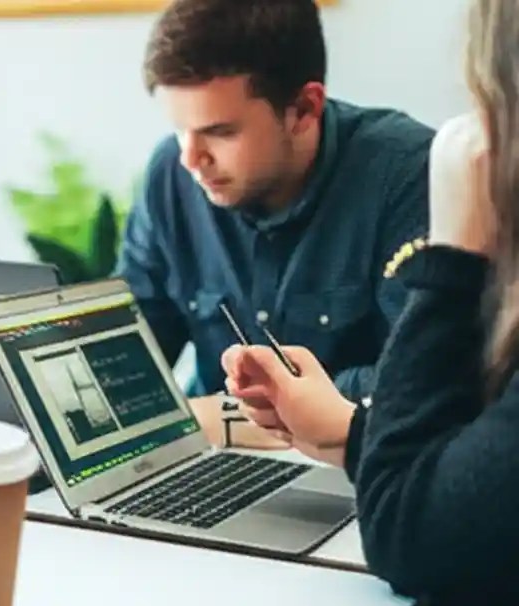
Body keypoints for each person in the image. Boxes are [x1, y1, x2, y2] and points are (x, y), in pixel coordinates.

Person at [223, 3, 519, 606]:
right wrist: (347, 431)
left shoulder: (397, 167)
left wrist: (452, 256)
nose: (190, 158)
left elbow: (409, 531)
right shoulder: (175, 184)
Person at [117, 0, 435, 450]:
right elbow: (129, 357)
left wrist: (232, 418)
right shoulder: (171, 174)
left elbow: (427, 382)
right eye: (179, 129)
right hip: (214, 463)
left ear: (304, 109)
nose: (192, 159)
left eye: (221, 132)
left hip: (363, 470)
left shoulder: (408, 175)